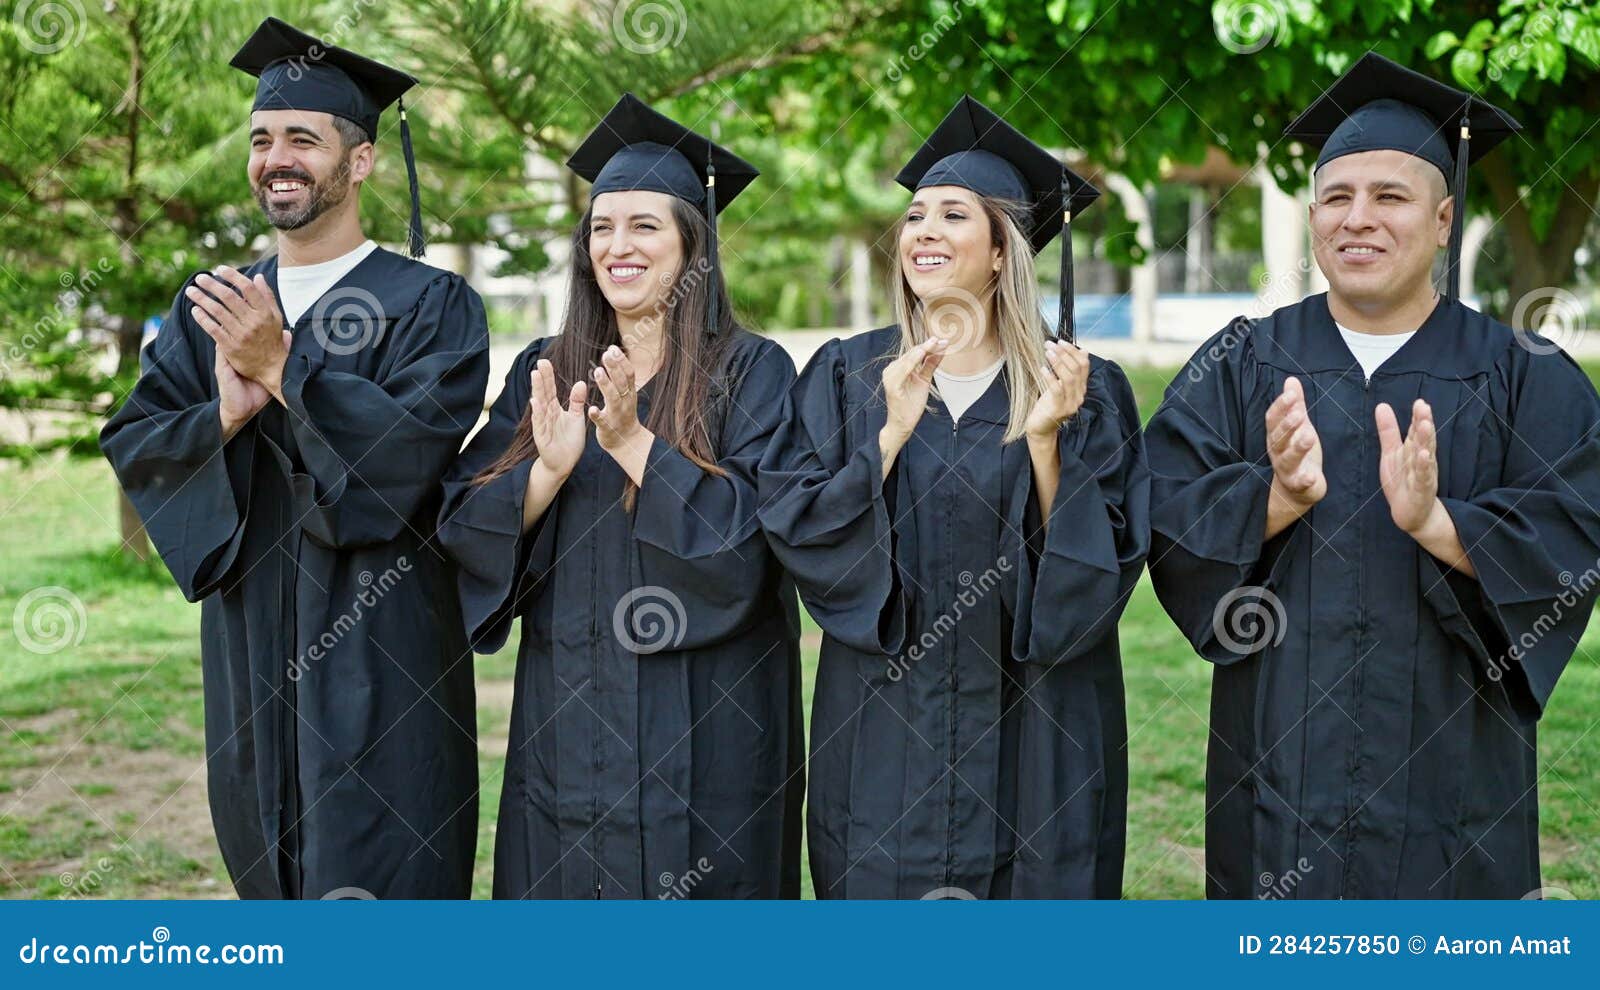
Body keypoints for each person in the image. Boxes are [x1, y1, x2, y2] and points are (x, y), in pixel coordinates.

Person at [1145, 52, 1600, 899]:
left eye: (1390, 197)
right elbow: (1164, 515)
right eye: (1336, 197)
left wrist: (1441, 525)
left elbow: (1574, 538)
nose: (1359, 219)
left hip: (1459, 768)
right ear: (1314, 215)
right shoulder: (1244, 362)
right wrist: (1275, 497)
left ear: (1443, 220)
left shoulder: (1524, 373)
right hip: (1279, 764)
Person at [100, 18, 487, 898]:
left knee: (388, 878)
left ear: (359, 164)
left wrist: (283, 368)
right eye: (262, 138)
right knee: (266, 872)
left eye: (303, 139)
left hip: (384, 648)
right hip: (248, 648)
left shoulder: (432, 304)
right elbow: (138, 444)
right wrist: (225, 421)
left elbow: (408, 464)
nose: (277, 157)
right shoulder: (214, 302)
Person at [759, 96, 1149, 898]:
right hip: (884, 732)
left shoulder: (1083, 387)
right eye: (914, 216)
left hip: (1038, 730)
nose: (924, 231)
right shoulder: (846, 375)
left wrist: (1045, 441)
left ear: (1004, 251)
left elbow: (1100, 572)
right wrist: (890, 434)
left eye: (953, 215)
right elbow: (799, 529)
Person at [436, 94, 805, 899]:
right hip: (572, 722)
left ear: (692, 247)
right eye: (602, 227)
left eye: (645, 226)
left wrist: (635, 445)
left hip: (714, 725)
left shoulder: (754, 372)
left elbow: (753, 547)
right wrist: (547, 471)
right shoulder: (548, 365)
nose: (618, 246)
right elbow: (464, 521)